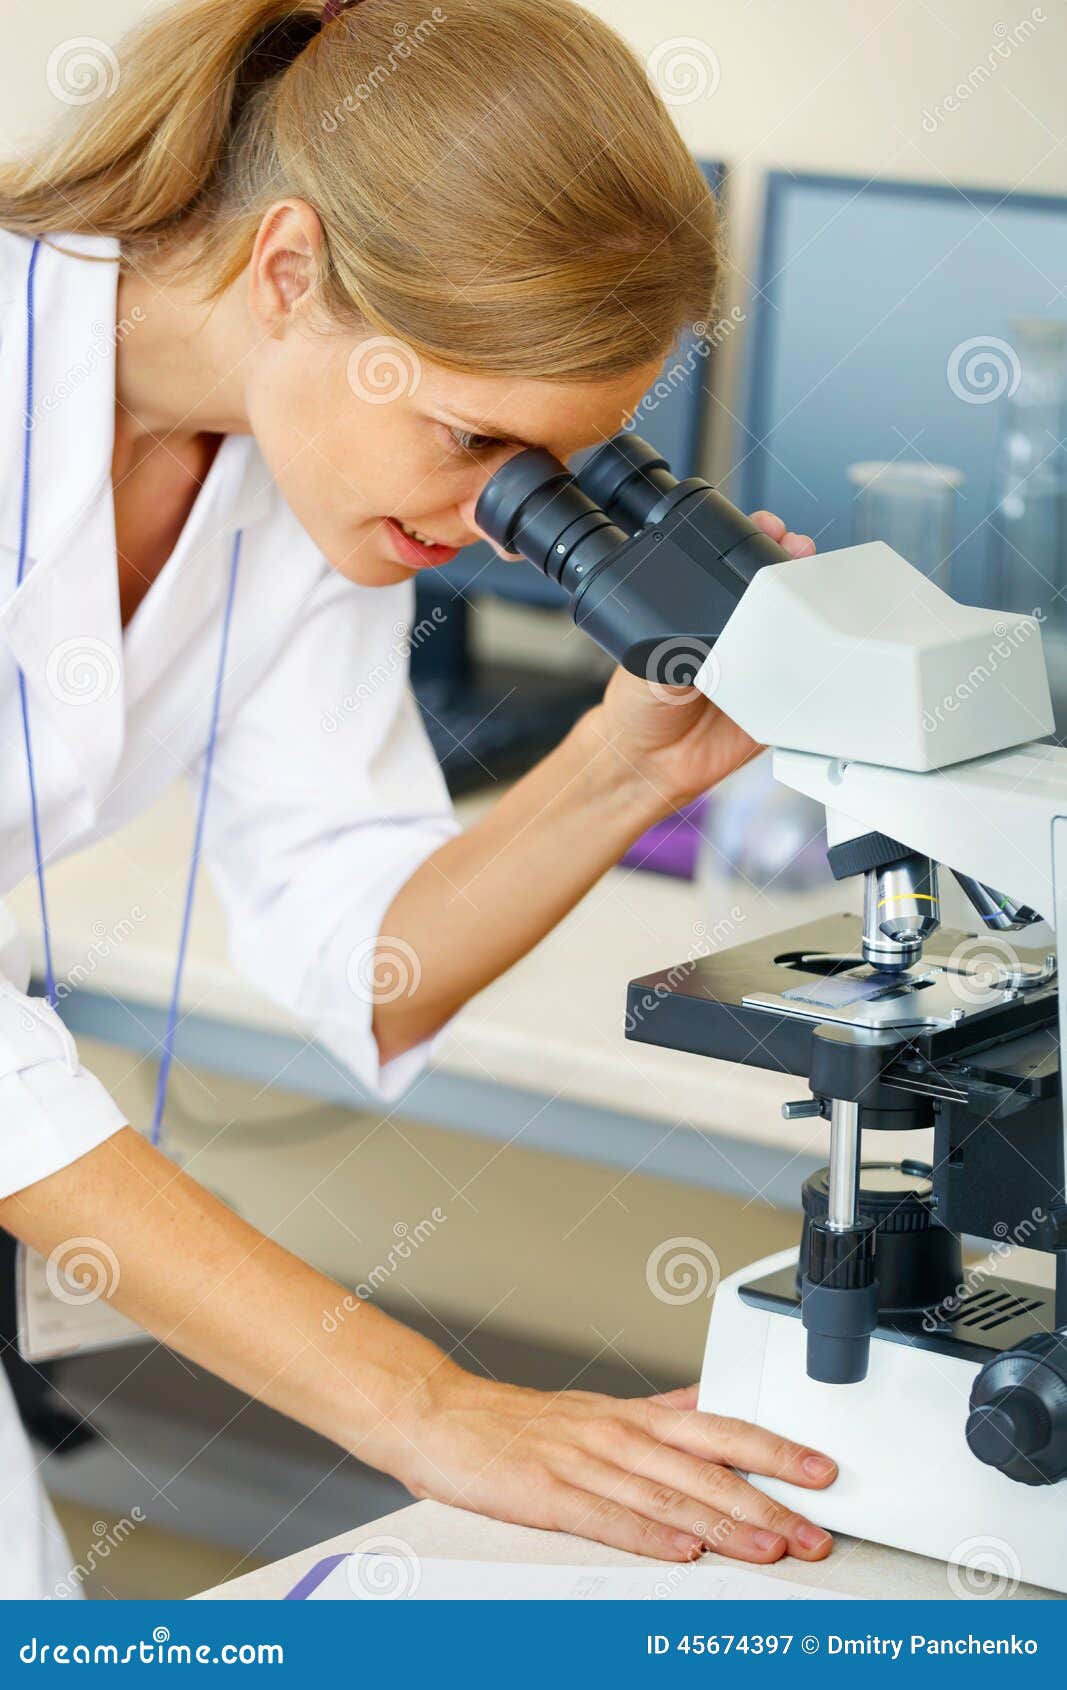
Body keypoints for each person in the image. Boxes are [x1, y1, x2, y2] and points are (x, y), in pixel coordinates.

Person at [0, 0, 832, 1598]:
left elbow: (359, 957)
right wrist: (427, 1403)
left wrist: (619, 768)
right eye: (478, 443)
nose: (505, 519)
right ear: (291, 271)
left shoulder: (308, 462)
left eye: (558, 475)